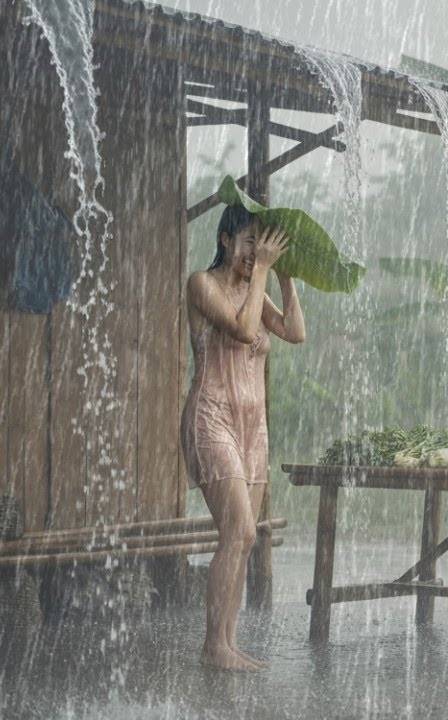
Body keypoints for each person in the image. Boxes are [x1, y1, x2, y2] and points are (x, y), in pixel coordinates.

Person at [181, 205, 305, 670]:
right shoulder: (202, 284)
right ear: (225, 238)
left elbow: (294, 332)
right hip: (212, 419)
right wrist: (265, 273)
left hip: (253, 429)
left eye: (262, 242)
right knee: (240, 530)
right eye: (250, 240)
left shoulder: (254, 288)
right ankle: (213, 645)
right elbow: (243, 330)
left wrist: (286, 278)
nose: (257, 251)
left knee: (243, 539)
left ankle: (227, 644)